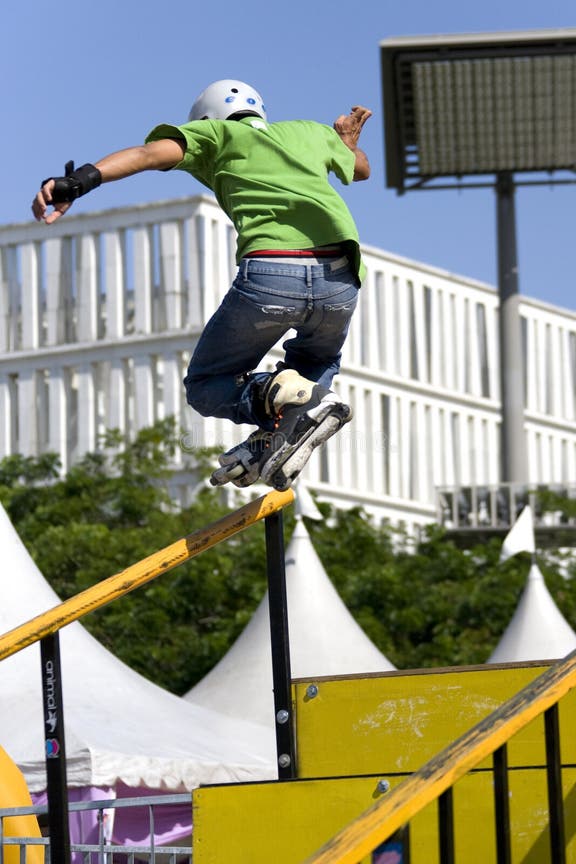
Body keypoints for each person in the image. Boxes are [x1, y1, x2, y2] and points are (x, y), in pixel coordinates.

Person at [32, 80, 372, 491]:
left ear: (207, 119)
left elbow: (147, 155)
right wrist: (345, 142)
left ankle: (287, 402)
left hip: (272, 274)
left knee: (208, 385)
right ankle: (274, 438)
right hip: (341, 280)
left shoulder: (215, 133)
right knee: (315, 366)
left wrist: (80, 181)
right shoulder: (311, 132)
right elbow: (360, 169)